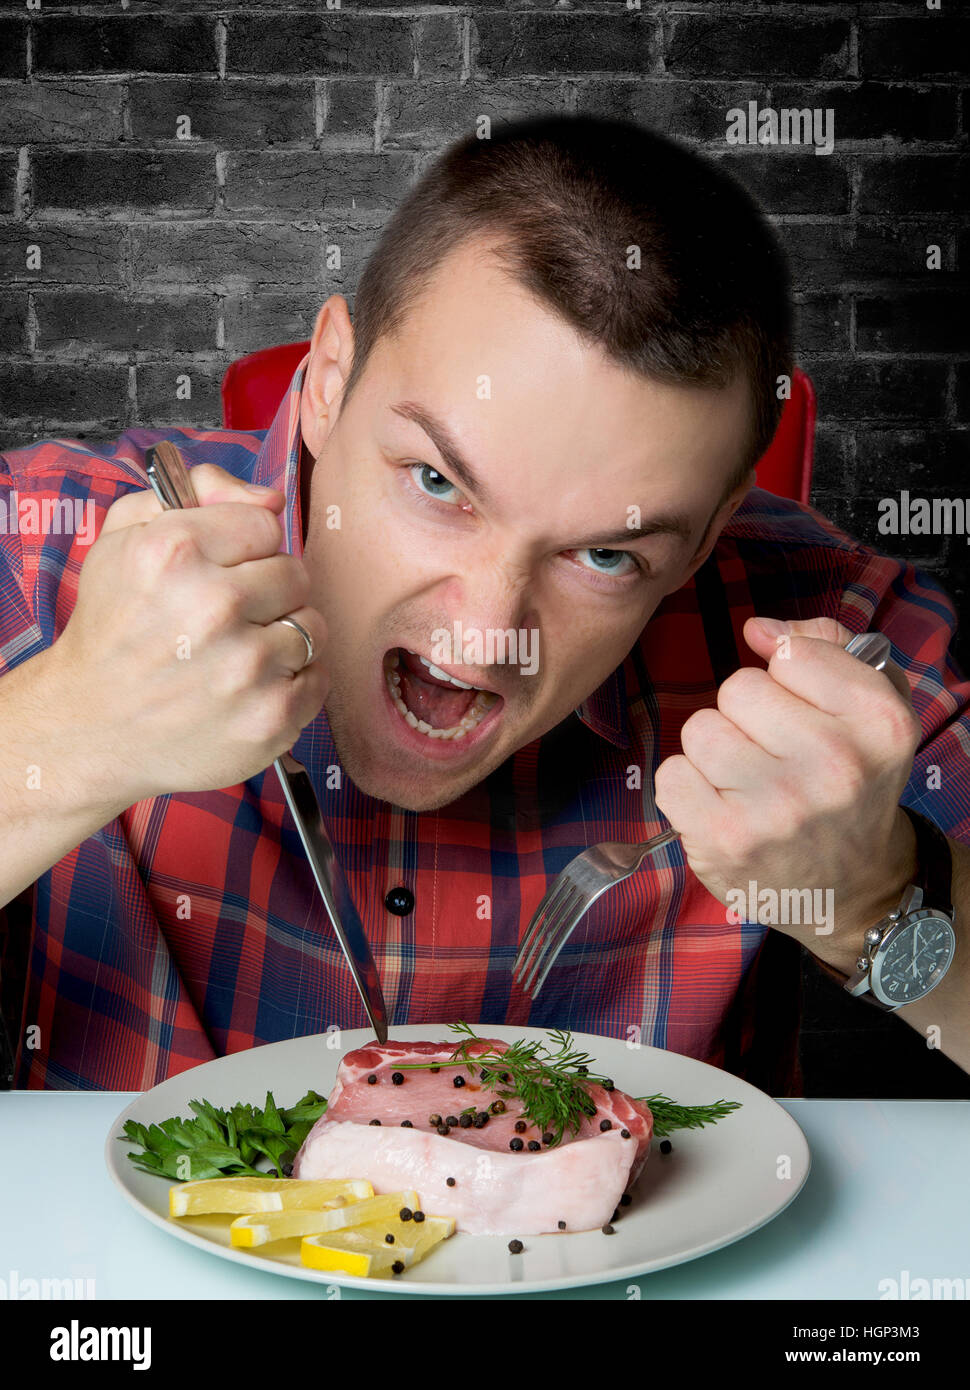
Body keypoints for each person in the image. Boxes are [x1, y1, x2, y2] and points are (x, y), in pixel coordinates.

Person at [1, 116, 967, 1092]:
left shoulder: (829, 635)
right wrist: (65, 735)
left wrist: (875, 893)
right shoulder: (42, 546)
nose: (486, 626)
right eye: (435, 482)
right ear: (328, 381)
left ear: (708, 533)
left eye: (603, 551)